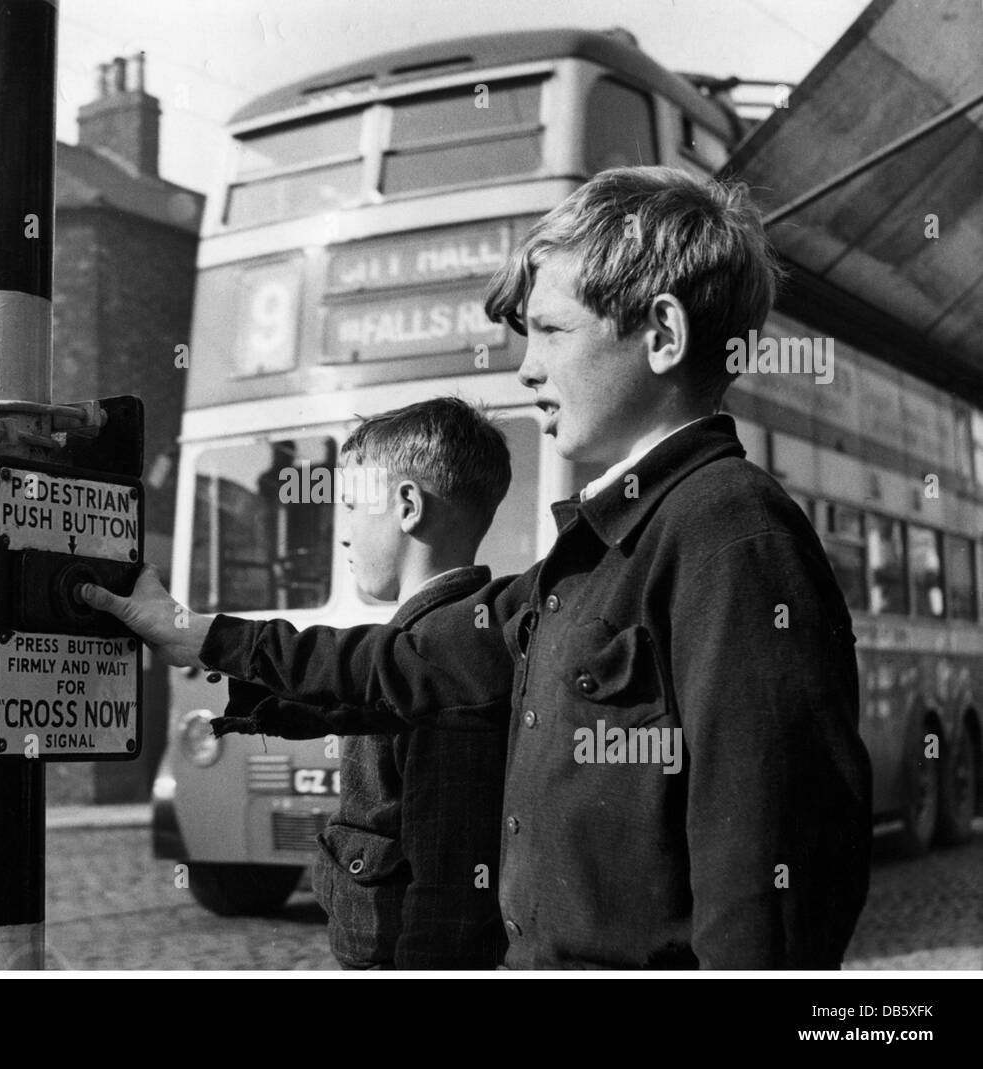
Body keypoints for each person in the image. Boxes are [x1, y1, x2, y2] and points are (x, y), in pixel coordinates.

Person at [82, 166, 873, 969]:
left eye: (552, 332)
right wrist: (200, 634)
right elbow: (400, 663)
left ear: (663, 335)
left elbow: (770, 890)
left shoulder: (730, 533)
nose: (526, 369)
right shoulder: (594, 551)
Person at [213, 397, 512, 969]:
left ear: (407, 506)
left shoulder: (438, 658)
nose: (342, 533)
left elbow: (448, 888)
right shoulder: (444, 640)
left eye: (350, 505)